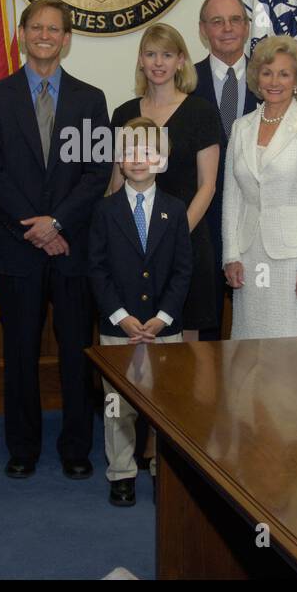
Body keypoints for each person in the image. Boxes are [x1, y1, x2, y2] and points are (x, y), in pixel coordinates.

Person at [0, 0, 109, 479]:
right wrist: (35, 228)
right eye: (36, 27)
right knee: (21, 354)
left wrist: (57, 225)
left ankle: (76, 447)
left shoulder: (90, 99)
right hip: (17, 248)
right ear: (23, 35)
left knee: (76, 352)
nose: (45, 36)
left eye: (54, 29)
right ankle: (23, 448)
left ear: (67, 39)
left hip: (72, 249)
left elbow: (96, 174)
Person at [88, 116, 193, 507]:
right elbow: (96, 268)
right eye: (130, 151)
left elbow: (184, 269)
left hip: (164, 330)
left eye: (148, 151)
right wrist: (119, 315)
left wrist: (163, 317)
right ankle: (121, 473)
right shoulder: (105, 211)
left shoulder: (175, 209)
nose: (138, 159)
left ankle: (163, 470)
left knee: (164, 405)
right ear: (118, 158)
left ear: (162, 159)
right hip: (120, 328)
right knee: (119, 407)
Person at [109, 23, 222, 340]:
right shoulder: (123, 113)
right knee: (134, 343)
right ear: (141, 61)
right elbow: (116, 184)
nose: (158, 63)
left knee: (188, 350)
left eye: (167, 55)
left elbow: (208, 185)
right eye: (151, 54)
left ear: (181, 61)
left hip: (185, 242)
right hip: (134, 248)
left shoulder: (201, 112)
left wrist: (173, 236)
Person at [222, 36, 297, 339]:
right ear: (257, 76)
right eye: (267, 72)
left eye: (284, 74)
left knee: (292, 349)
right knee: (248, 345)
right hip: (249, 256)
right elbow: (232, 198)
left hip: (294, 261)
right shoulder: (241, 127)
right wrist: (230, 255)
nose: (275, 81)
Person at [191, 0, 260, 339]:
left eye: (235, 20)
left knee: (258, 327)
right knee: (206, 330)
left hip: (258, 225)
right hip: (202, 223)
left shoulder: (273, 81)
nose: (227, 28)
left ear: (247, 27)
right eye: (217, 21)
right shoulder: (183, 82)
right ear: (203, 30)